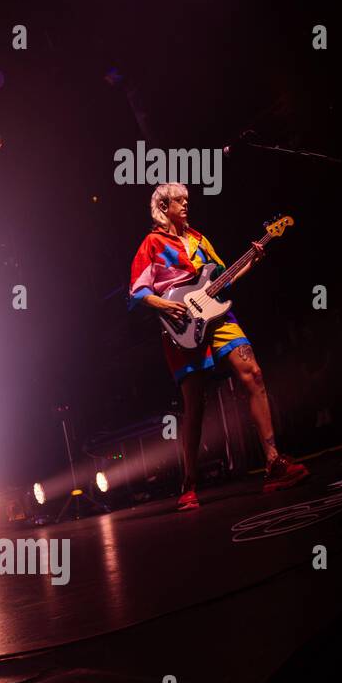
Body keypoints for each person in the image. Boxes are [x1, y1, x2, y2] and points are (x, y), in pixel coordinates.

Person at [129, 183, 308, 510]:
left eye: (187, 201)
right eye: (179, 202)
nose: (186, 206)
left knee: (253, 374)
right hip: (182, 325)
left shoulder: (200, 239)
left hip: (219, 316)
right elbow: (138, 293)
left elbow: (224, 277)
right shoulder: (151, 244)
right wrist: (167, 306)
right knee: (195, 406)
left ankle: (273, 462)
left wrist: (253, 258)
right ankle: (189, 484)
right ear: (163, 207)